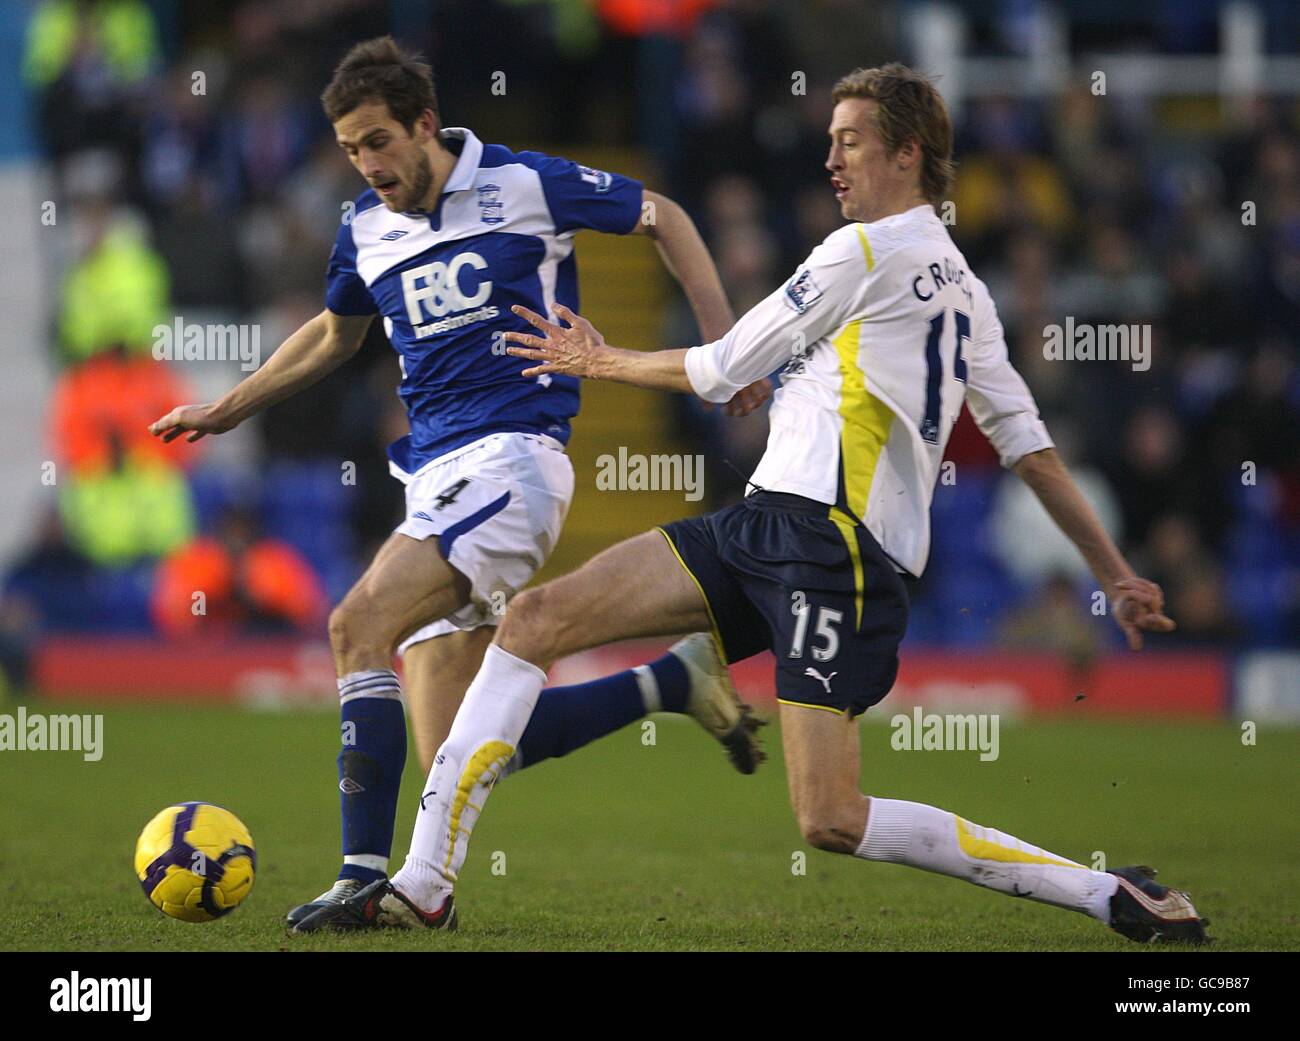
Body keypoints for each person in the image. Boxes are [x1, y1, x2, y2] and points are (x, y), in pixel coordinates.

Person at [300, 64, 1207, 945]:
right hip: (763, 522)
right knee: (533, 619)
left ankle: (1105, 890)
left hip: (833, 552)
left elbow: (726, 364)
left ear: (910, 152)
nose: (832, 160)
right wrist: (1116, 572)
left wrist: (599, 360)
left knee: (832, 818)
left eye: (851, 141)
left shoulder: (862, 251)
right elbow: (1033, 451)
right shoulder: (968, 292)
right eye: (830, 142)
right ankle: (421, 886)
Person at [150, 36, 767, 929]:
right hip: (433, 476)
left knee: (355, 623)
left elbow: (663, 215)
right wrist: (230, 406)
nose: (368, 166)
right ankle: (668, 685)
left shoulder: (520, 184)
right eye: (351, 150)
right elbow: (334, 335)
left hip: (514, 460)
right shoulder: (364, 228)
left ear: (425, 126)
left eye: (379, 143)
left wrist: (721, 352)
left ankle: (362, 876)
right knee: (458, 751)